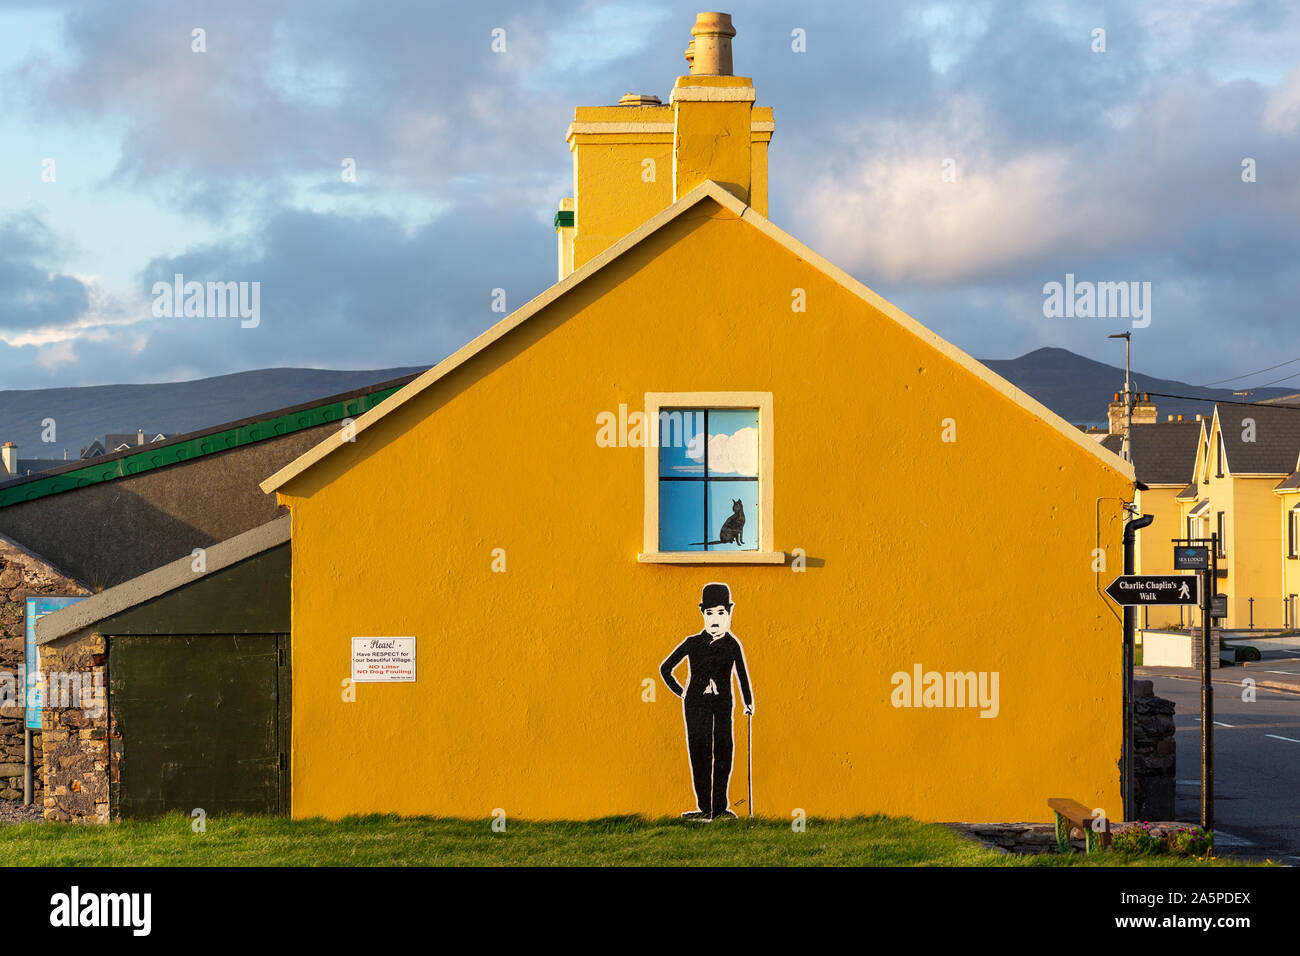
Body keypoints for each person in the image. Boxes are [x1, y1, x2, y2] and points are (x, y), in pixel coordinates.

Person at [659, 582, 754, 821]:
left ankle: (719, 808)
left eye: (720, 613)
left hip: (722, 705)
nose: (715, 619)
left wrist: (748, 701)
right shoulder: (693, 643)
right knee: (699, 752)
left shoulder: (732, 644)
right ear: (702, 613)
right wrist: (682, 692)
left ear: (729, 613)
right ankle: (704, 808)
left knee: (724, 750)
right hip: (695, 705)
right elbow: (666, 668)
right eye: (710, 613)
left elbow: (742, 674)